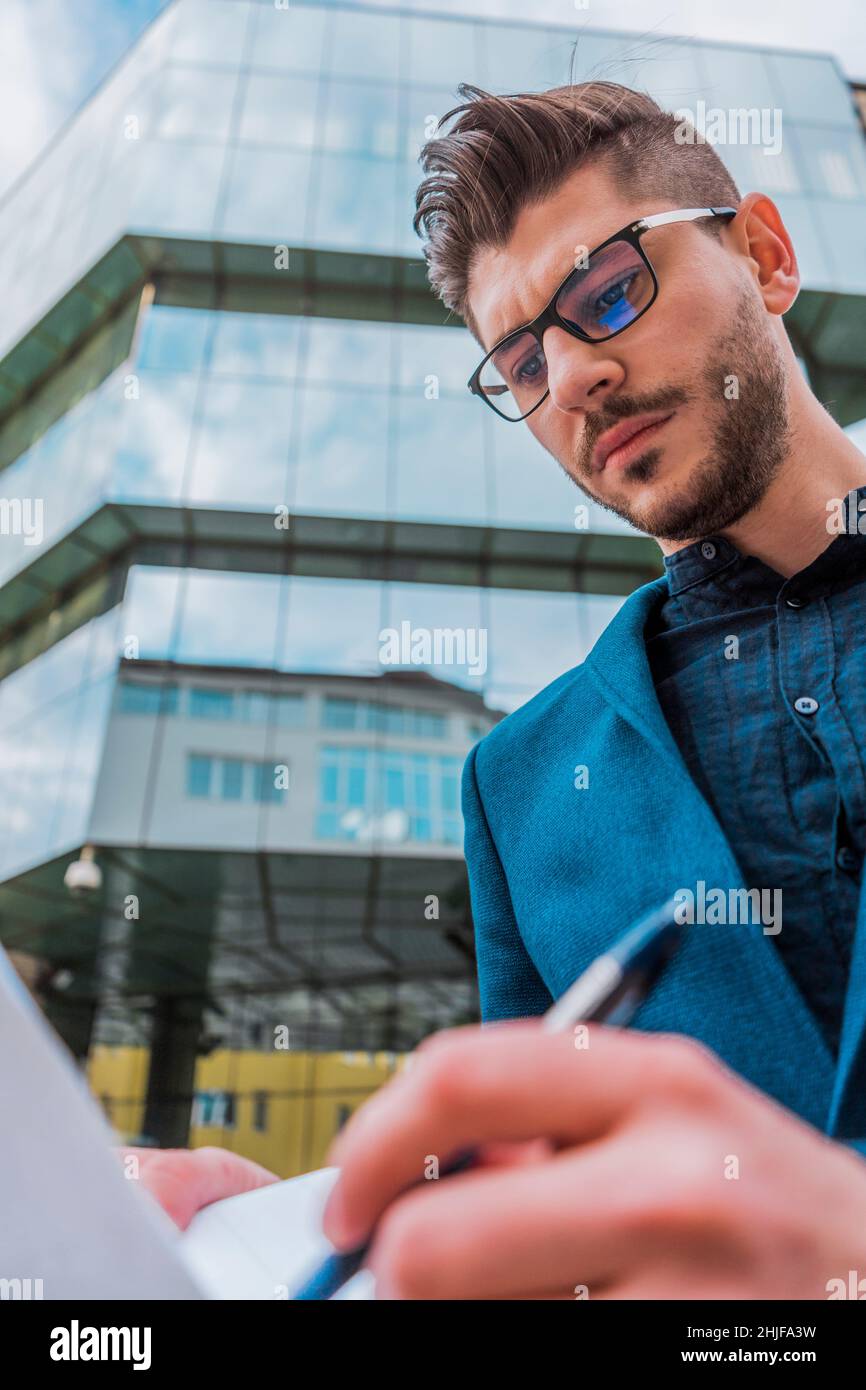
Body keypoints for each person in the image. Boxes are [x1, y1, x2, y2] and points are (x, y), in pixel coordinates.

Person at [140, 80, 866, 1298]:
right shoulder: (516, 784)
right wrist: (306, 1237)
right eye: (522, 360)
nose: (572, 376)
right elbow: (549, 1198)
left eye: (607, 294)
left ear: (764, 255)